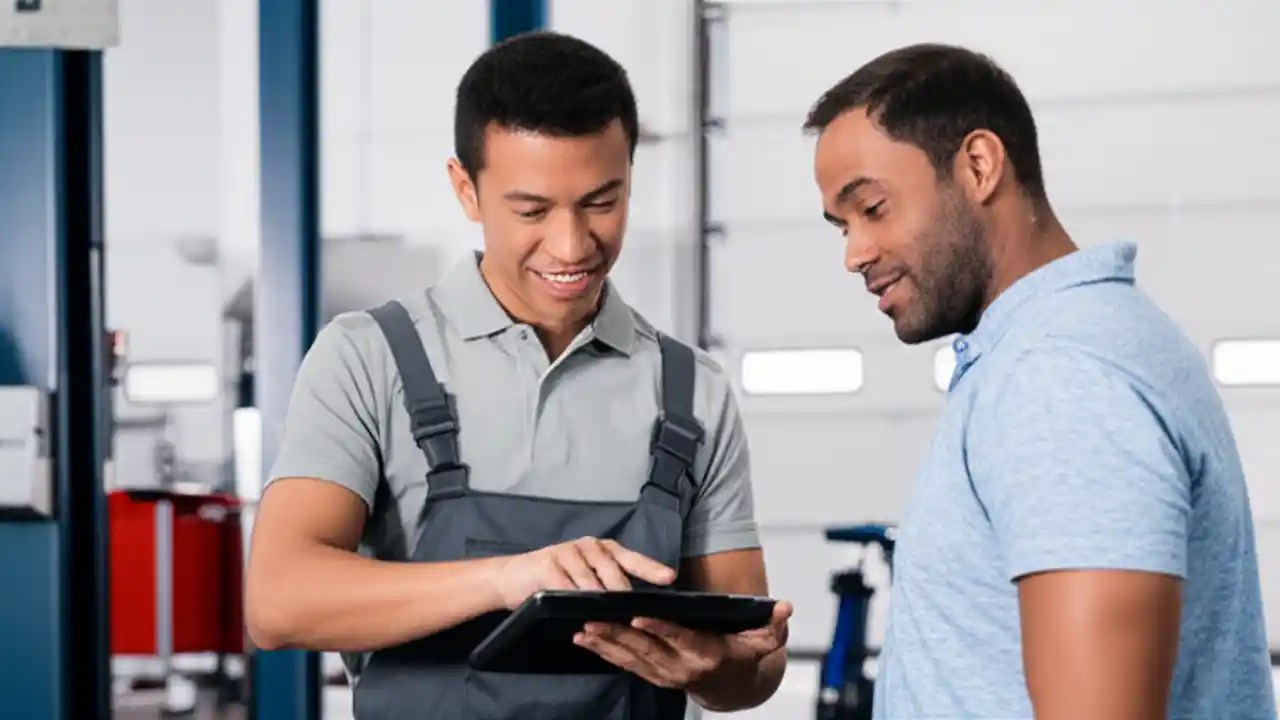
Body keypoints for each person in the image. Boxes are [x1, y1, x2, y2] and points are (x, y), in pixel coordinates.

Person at [245, 31, 790, 719]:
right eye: (531, 211)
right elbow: (278, 602)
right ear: (465, 189)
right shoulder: (367, 357)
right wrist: (511, 579)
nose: (571, 246)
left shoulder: (692, 392)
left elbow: (748, 666)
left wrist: (721, 670)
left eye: (602, 201)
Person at [804, 43, 1275, 720]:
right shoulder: (1064, 348)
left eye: (873, 208)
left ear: (978, 165)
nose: (854, 254)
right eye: (841, 226)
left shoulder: (1062, 375)